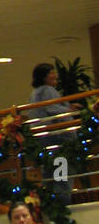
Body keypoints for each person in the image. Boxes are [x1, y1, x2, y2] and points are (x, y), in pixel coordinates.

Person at [29, 63, 74, 202]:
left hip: (43, 140)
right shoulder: (47, 90)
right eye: (51, 73)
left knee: (49, 175)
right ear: (44, 77)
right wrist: (70, 110)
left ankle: (49, 204)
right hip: (57, 139)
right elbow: (53, 109)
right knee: (62, 176)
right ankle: (62, 205)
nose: (55, 76)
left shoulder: (34, 94)